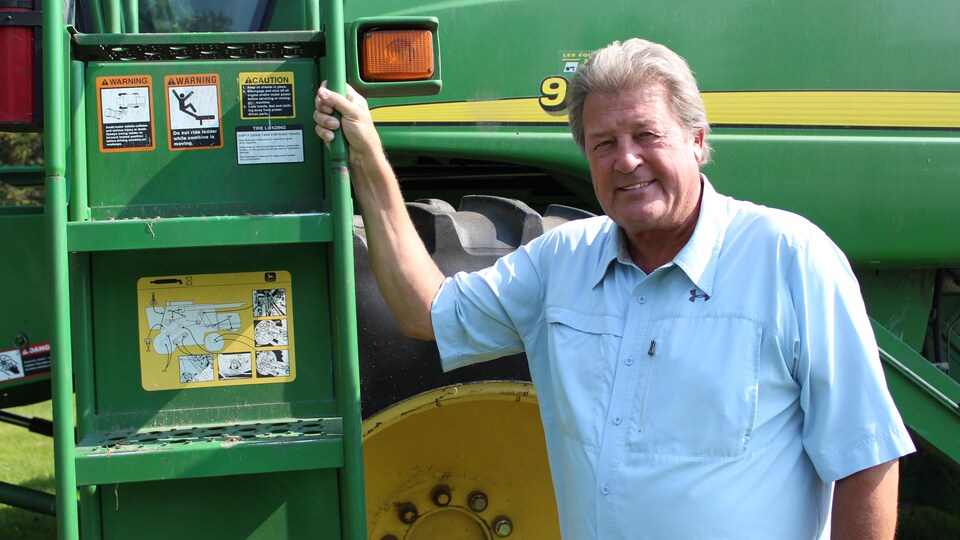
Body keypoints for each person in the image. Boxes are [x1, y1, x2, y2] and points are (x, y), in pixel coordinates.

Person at [314, 38, 915, 539]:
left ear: (699, 142)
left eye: (647, 135)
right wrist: (366, 155)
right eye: (604, 143)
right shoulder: (560, 261)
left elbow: (865, 455)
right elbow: (426, 312)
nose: (626, 160)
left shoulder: (790, 258)